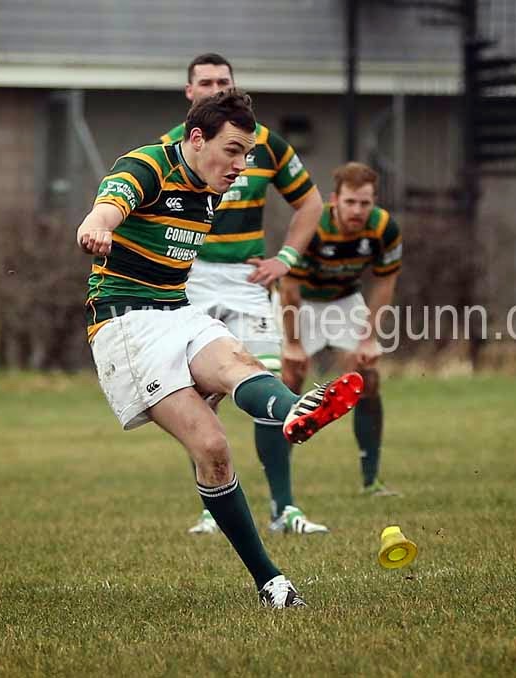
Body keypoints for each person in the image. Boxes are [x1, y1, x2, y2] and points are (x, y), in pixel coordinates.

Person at [77, 89, 364, 608]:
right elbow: (108, 205)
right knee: (212, 450)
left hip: (178, 310)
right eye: (232, 150)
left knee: (238, 363)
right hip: (125, 325)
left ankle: (294, 409)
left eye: (248, 154)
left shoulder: (213, 189)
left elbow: (303, 204)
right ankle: (269, 578)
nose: (241, 165)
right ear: (196, 138)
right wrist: (96, 228)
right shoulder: (146, 166)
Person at [160, 53, 329, 536]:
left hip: (247, 282)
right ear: (189, 93)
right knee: (198, 400)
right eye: (205, 82)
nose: (214, 88)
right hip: (188, 280)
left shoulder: (264, 144)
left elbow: (311, 202)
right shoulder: (171, 149)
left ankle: (284, 509)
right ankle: (214, 505)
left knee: (267, 380)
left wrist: (287, 259)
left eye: (223, 81)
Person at [280, 162, 402, 496]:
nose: (358, 210)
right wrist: (293, 344)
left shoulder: (384, 229)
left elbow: (385, 283)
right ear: (335, 199)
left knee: (368, 378)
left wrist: (369, 336)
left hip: (345, 301)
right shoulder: (313, 228)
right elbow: (288, 289)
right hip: (301, 302)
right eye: (350, 202)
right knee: (290, 380)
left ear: (374, 201)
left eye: (365, 203)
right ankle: (280, 484)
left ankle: (370, 480)